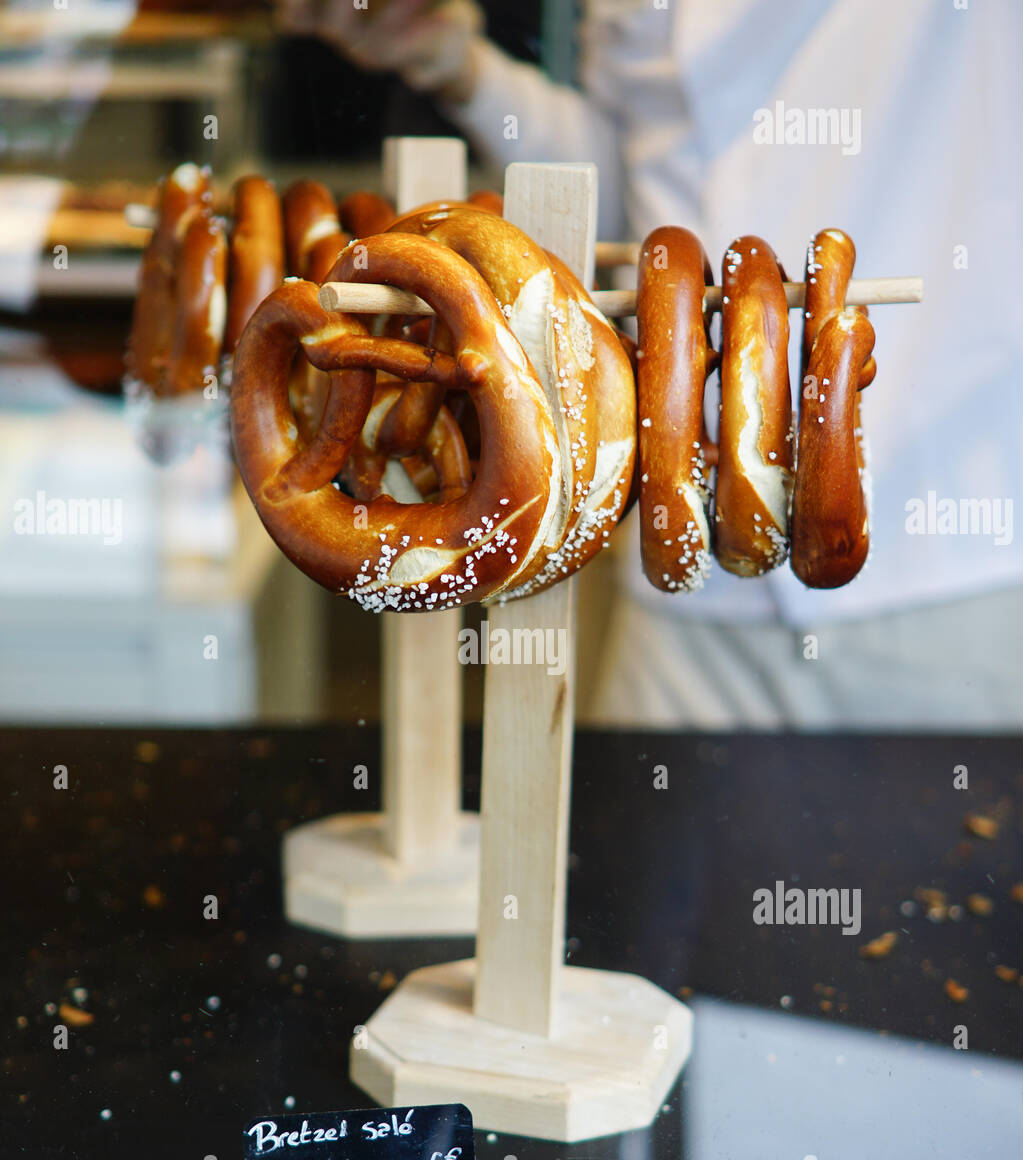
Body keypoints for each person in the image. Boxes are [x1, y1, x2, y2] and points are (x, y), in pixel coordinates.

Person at [280, 0, 1023, 730]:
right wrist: (462, 69)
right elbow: (622, 186)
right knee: (640, 839)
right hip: (680, 580)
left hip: (938, 549)